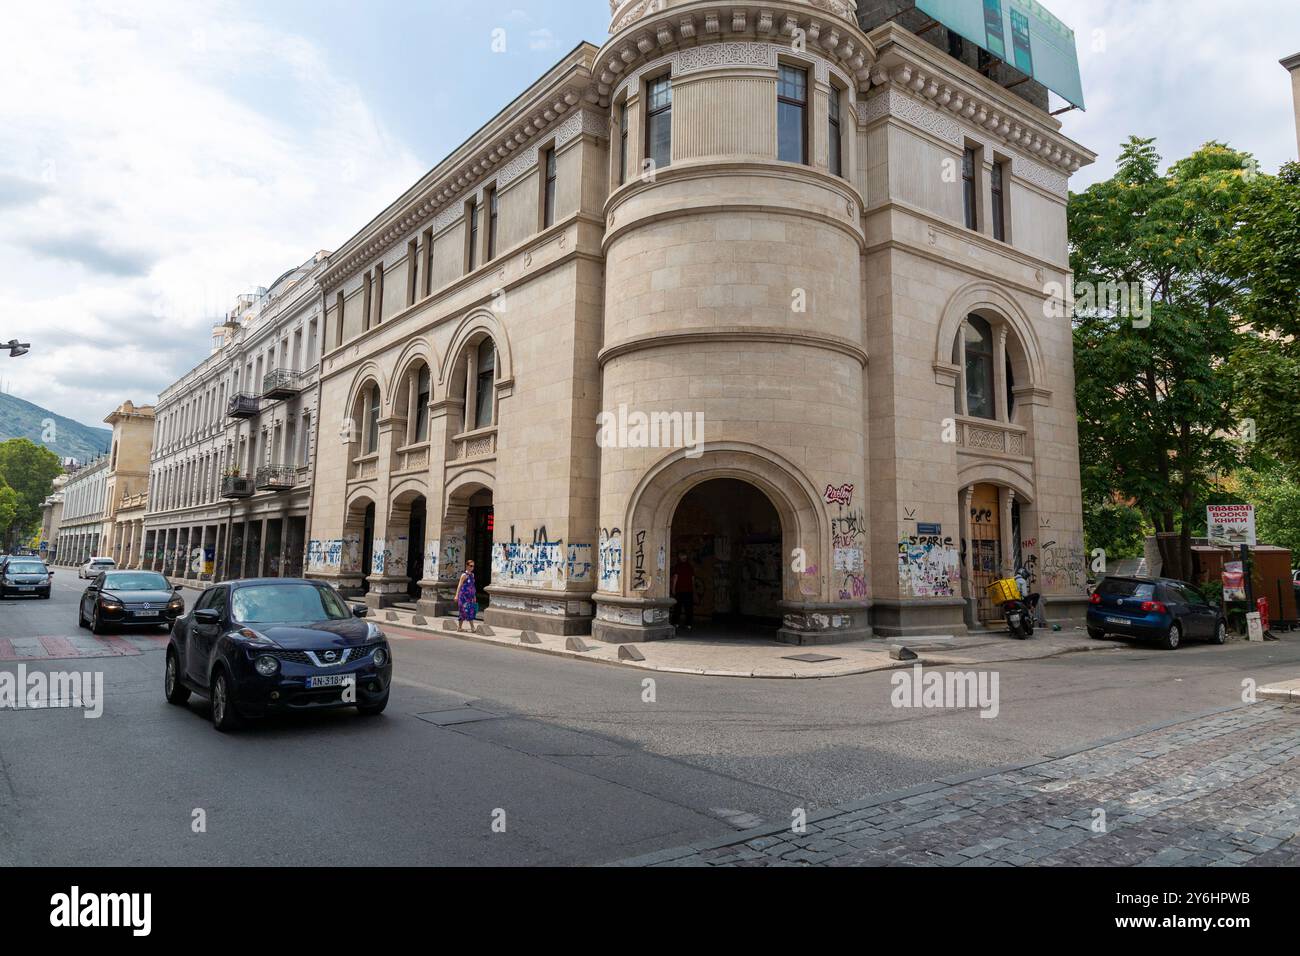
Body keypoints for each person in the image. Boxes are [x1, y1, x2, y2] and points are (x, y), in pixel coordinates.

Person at [670, 552, 695, 631]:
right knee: (688, 608)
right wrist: (694, 590)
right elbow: (693, 580)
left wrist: (673, 589)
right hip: (688, 590)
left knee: (678, 607)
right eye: (682, 555)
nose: (683, 557)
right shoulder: (690, 567)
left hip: (680, 590)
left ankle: (675, 623)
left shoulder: (678, 566)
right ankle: (689, 624)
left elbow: (675, 578)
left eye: (683, 555)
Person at [455, 560, 478, 631]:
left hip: (470, 597)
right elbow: (459, 585)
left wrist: (474, 596)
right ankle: (472, 628)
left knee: (469, 610)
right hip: (463, 597)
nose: (472, 567)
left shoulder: (472, 575)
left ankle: (460, 627)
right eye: (471, 566)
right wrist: (456, 596)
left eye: (473, 566)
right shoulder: (464, 575)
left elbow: (472, 586)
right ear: (467, 566)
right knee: (465, 611)